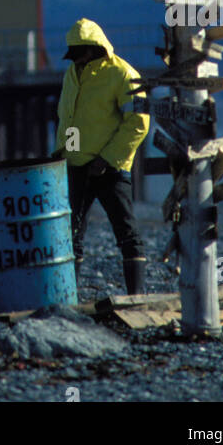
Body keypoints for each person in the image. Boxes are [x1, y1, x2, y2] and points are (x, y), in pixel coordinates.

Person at [53, 17, 150, 295]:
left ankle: (136, 295)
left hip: (110, 170)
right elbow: (69, 119)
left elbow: (139, 121)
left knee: (126, 232)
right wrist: (63, 153)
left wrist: (107, 159)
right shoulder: (72, 74)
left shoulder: (124, 74)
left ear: (94, 48)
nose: (75, 60)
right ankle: (67, 296)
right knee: (71, 236)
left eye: (79, 54)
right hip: (76, 167)